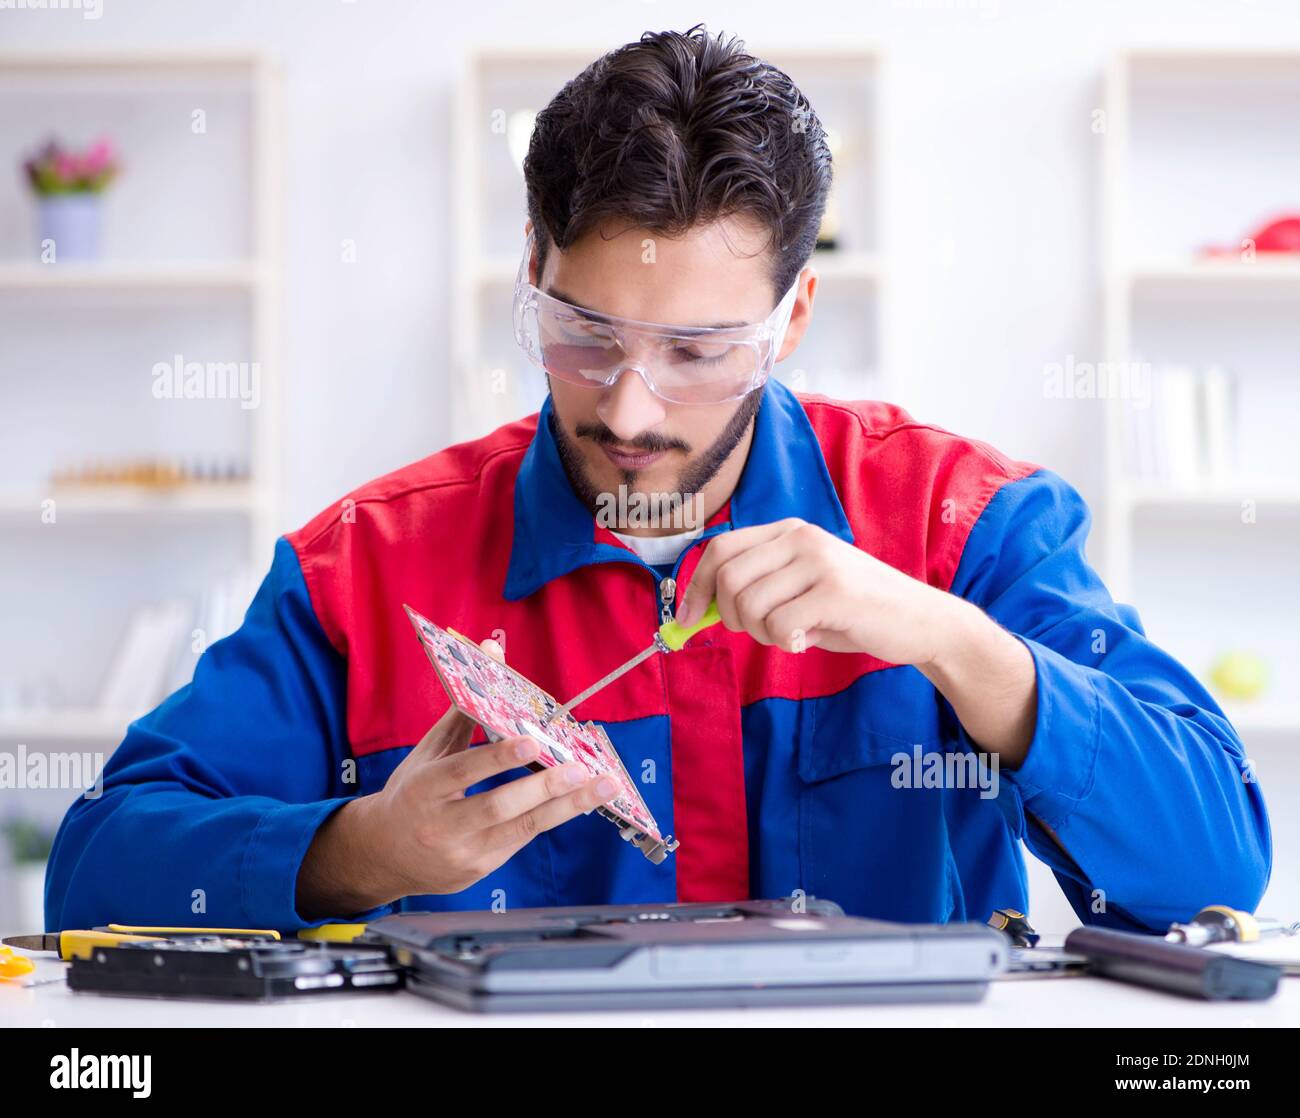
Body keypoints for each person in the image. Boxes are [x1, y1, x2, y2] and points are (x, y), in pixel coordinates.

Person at [46, 26, 1269, 935]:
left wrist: (949, 638)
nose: (629, 407)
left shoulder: (966, 525)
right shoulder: (359, 566)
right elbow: (96, 864)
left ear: (793, 313)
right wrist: (359, 850)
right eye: (584, 333)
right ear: (530, 265)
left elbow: (1216, 859)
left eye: (697, 351)